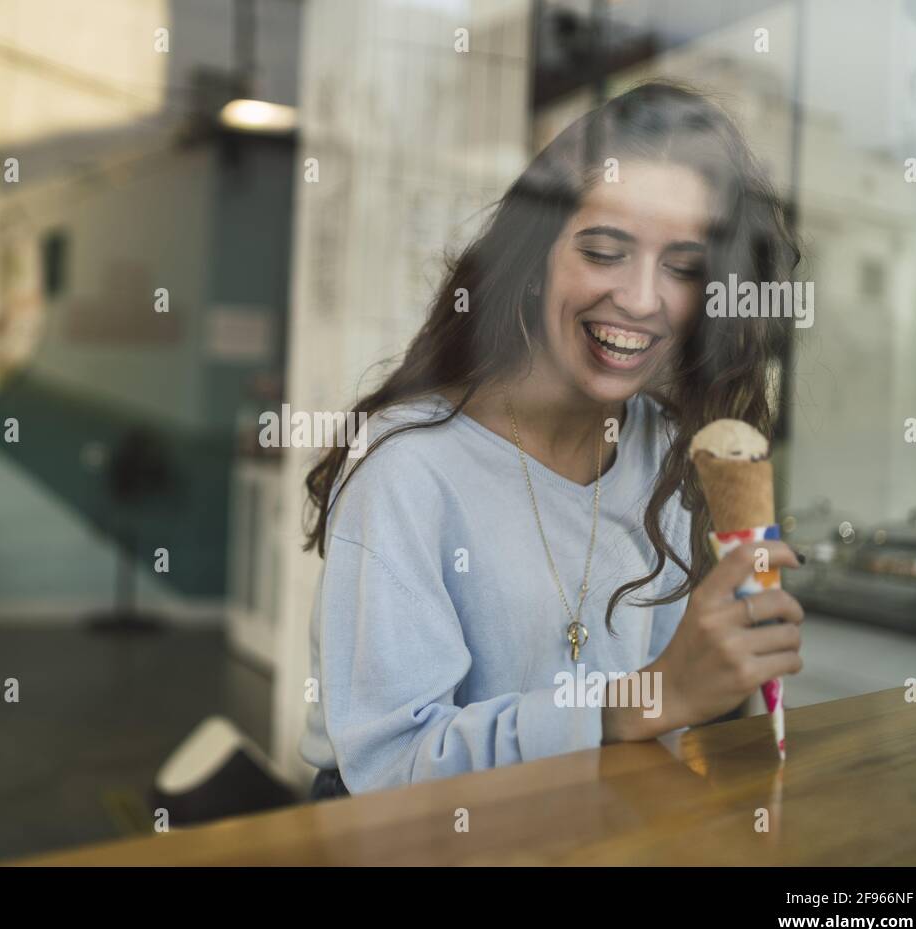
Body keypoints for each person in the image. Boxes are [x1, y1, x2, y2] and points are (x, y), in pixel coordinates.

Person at [300, 81, 806, 798]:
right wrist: (644, 699)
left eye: (684, 268)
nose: (639, 298)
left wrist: (730, 669)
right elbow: (392, 769)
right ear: (536, 258)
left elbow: (673, 724)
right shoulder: (408, 467)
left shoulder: (670, 454)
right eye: (604, 251)